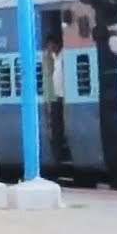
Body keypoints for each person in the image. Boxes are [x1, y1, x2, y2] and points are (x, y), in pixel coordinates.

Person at [43, 37, 72, 165]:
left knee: (58, 127)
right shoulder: (56, 57)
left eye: (50, 45)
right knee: (55, 128)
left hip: (62, 98)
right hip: (56, 97)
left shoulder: (64, 55)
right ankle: (57, 154)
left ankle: (60, 153)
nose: (49, 49)